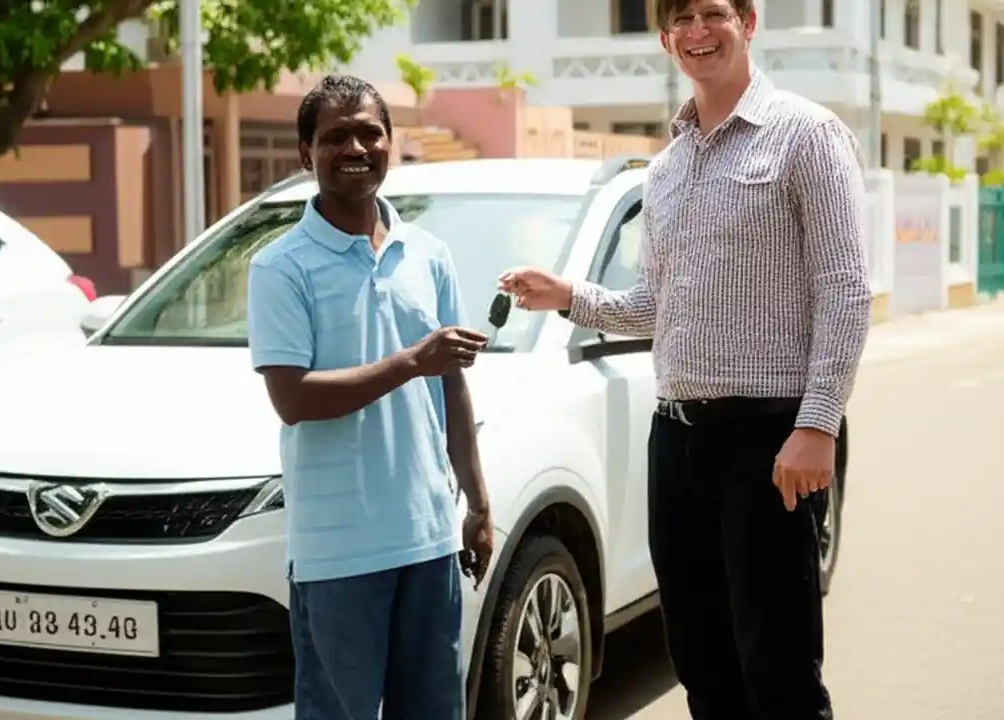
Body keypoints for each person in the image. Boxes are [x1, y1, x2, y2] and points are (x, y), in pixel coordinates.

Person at [498, 0, 871, 717]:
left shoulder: (806, 135)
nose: (697, 33)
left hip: (768, 443)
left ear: (749, 21)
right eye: (681, 20)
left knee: (781, 673)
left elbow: (846, 290)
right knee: (702, 664)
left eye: (713, 14)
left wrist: (818, 423)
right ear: (665, 37)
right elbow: (655, 306)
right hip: (676, 444)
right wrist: (568, 296)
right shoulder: (665, 168)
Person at [246, 74, 494, 720]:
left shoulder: (428, 253)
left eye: (369, 133)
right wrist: (412, 361)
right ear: (306, 154)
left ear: (390, 143)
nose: (355, 148)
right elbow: (293, 399)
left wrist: (477, 501)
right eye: (335, 137)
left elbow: (452, 385)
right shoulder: (282, 266)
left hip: (428, 539)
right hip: (338, 552)